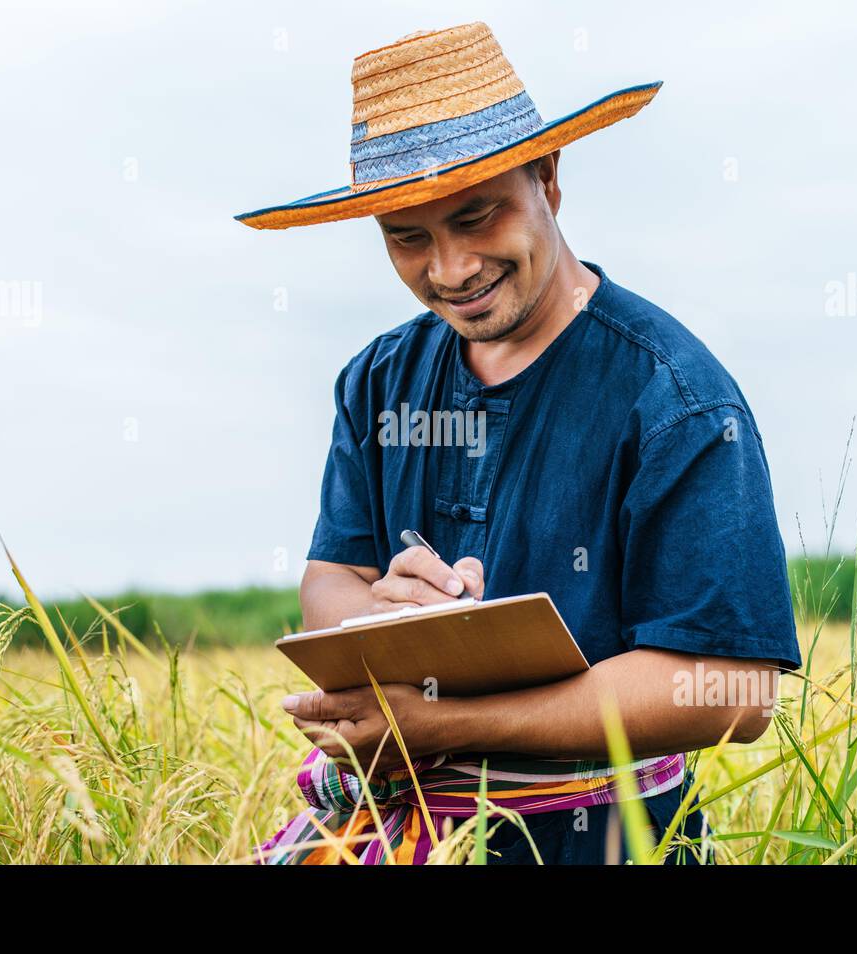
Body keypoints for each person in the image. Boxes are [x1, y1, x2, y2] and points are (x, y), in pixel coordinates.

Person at [236, 21, 802, 865]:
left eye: (477, 215)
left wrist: (451, 723)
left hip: (605, 844)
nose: (451, 268)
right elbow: (332, 577)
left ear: (548, 177)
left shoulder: (675, 400)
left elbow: (733, 689)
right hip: (394, 833)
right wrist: (383, 612)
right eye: (408, 236)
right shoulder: (377, 383)